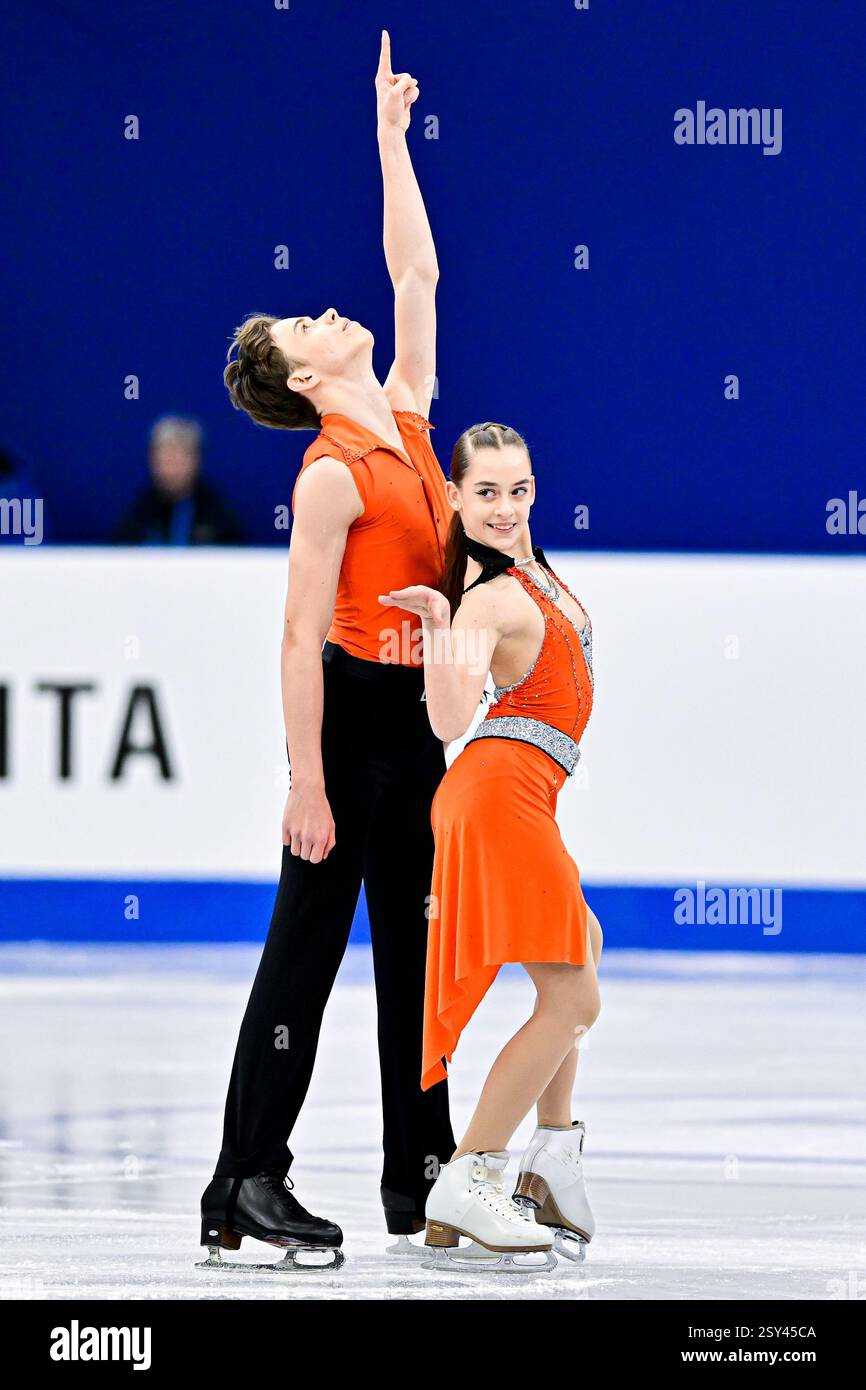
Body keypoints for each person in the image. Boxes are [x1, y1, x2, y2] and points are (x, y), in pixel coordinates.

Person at [198, 31, 455, 1273]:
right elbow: (297, 633)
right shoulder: (328, 477)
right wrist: (305, 779)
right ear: (304, 376)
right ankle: (245, 1179)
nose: (329, 308)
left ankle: (422, 1170)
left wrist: (389, 142)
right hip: (351, 722)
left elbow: (417, 271)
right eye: (308, 319)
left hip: (417, 724)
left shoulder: (402, 414)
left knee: (420, 940)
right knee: (305, 948)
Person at [379, 421, 604, 1272]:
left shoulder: (531, 573)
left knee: (584, 946)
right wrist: (443, 622)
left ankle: (549, 1164)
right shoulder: (482, 599)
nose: (505, 508)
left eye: (518, 489)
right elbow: (444, 720)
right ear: (457, 500)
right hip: (494, 792)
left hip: (527, 792)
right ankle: (473, 1172)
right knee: (575, 998)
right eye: (485, 493)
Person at [113, 416, 245, 546]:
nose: (172, 468)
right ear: (153, 459)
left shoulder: (218, 517)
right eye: (166, 457)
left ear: (196, 460)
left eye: (179, 457)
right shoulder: (138, 515)